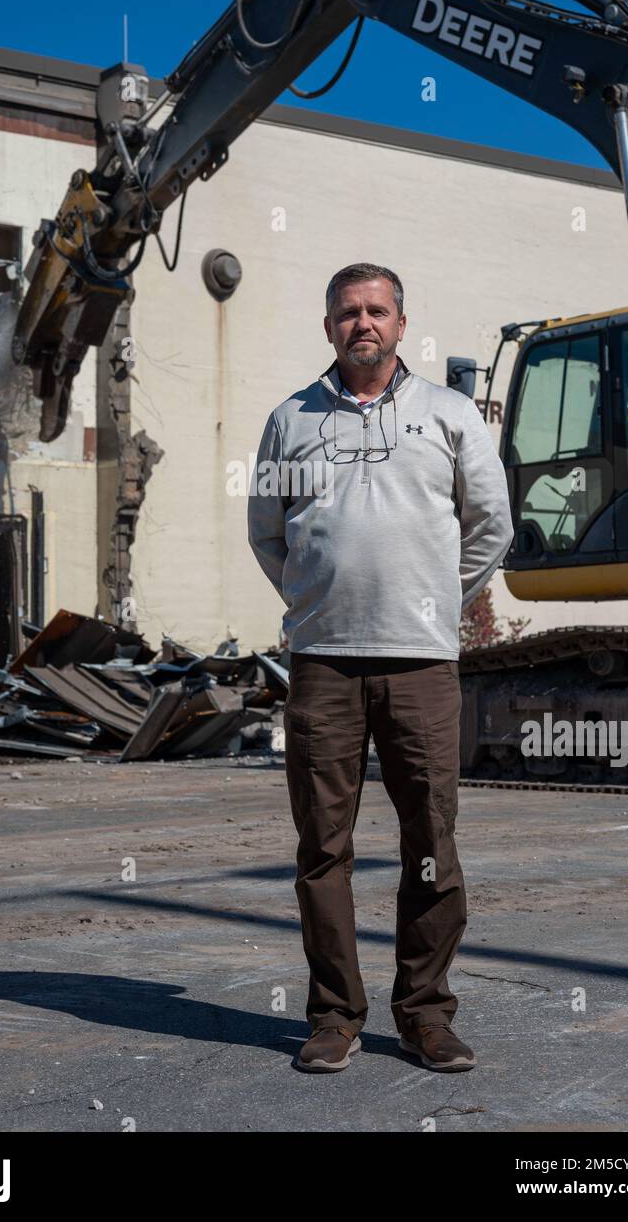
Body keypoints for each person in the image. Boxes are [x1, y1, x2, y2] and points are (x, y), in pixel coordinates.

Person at [247, 262, 514, 1074]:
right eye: (347, 312)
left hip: (421, 666)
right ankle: (334, 1017)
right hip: (323, 667)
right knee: (321, 848)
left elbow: (492, 527)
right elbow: (268, 532)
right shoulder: (289, 421)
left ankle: (425, 1014)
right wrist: (313, 605)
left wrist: (435, 600)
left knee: (429, 839)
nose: (362, 323)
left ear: (402, 323)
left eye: (377, 311)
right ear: (329, 326)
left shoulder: (450, 414)